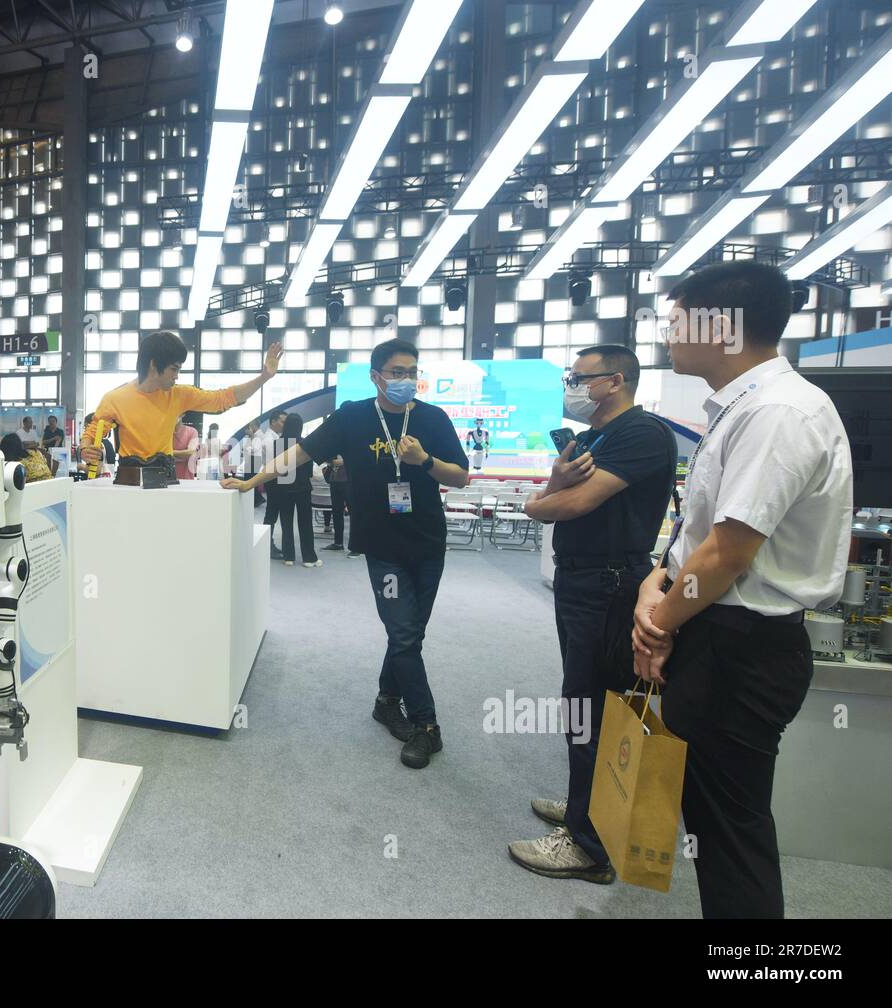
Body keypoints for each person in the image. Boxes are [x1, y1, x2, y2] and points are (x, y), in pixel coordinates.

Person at [631, 261, 852, 919]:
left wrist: (659, 621)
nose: (668, 334)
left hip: (741, 648)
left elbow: (729, 553)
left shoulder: (779, 412)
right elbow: (702, 533)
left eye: (677, 320)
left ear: (719, 325)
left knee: (730, 836)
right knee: (715, 821)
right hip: (716, 635)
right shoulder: (744, 407)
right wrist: (657, 583)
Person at [223, 338, 468, 768]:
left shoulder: (432, 419)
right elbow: (300, 452)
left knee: (410, 633)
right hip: (383, 546)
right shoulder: (353, 416)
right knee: (405, 633)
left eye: (412, 372)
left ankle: (386, 700)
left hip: (429, 543)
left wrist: (425, 460)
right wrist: (252, 480)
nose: (406, 380)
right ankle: (428, 727)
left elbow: (461, 475)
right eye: (397, 372)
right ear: (376, 376)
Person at [506, 345, 677, 885]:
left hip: (608, 584)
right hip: (582, 580)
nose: (572, 387)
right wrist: (553, 486)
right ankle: (588, 808)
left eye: (579, 378)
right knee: (585, 701)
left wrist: (535, 505)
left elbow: (576, 504)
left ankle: (588, 843)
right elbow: (564, 489)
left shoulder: (641, 433)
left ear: (615, 381)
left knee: (592, 706)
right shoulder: (597, 438)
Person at [79, 330, 283, 479]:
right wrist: (85, 450)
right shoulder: (115, 398)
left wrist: (263, 377)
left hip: (164, 477)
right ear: (153, 364)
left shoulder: (179, 395)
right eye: (174, 369)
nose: (177, 376)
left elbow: (223, 398)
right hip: (128, 478)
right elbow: (91, 433)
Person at [268, 412, 319, 567]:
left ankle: (288, 556)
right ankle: (309, 558)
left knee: (286, 521)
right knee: (305, 522)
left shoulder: (277, 444)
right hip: (302, 487)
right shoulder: (305, 443)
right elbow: (309, 469)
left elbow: (274, 468)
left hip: (283, 487)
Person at [261, 411, 287, 557]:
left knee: (272, 513)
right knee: (271, 514)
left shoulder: (275, 437)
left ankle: (268, 544)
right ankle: (267, 546)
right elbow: (275, 462)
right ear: (273, 422)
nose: (284, 425)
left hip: (274, 478)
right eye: (282, 422)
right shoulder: (269, 440)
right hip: (273, 479)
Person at [322, 454, 351, 552]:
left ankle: (356, 547)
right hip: (335, 480)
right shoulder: (335, 443)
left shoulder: (352, 442)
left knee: (354, 512)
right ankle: (338, 543)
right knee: (336, 512)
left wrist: (344, 461)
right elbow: (326, 457)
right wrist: (333, 461)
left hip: (349, 480)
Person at [172, 414, 200, 481]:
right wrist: (183, 453)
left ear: (183, 413)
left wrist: (169, 452)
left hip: (187, 478)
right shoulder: (164, 432)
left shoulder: (192, 431)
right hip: (167, 477)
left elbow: (191, 452)